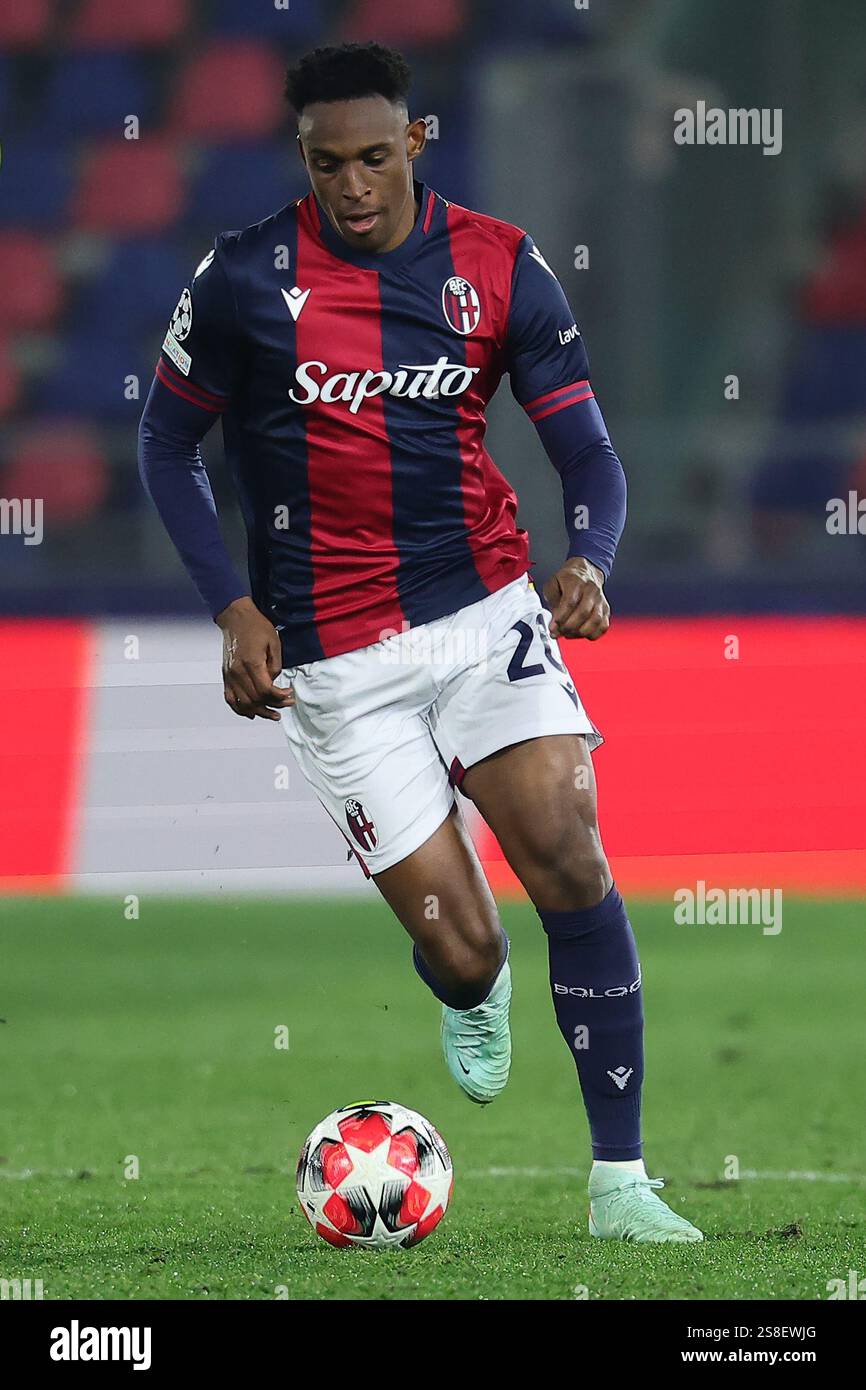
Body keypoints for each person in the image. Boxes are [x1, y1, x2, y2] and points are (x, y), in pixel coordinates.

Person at [139, 41, 702, 1243]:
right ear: (302, 158)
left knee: (567, 851)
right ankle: (471, 985)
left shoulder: (497, 265)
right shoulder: (243, 279)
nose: (351, 183)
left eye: (374, 157)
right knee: (458, 948)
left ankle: (620, 1183)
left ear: (417, 144)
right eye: (326, 161)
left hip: (482, 608)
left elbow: (585, 449)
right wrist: (234, 610)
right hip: (336, 662)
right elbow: (164, 449)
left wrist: (590, 559)